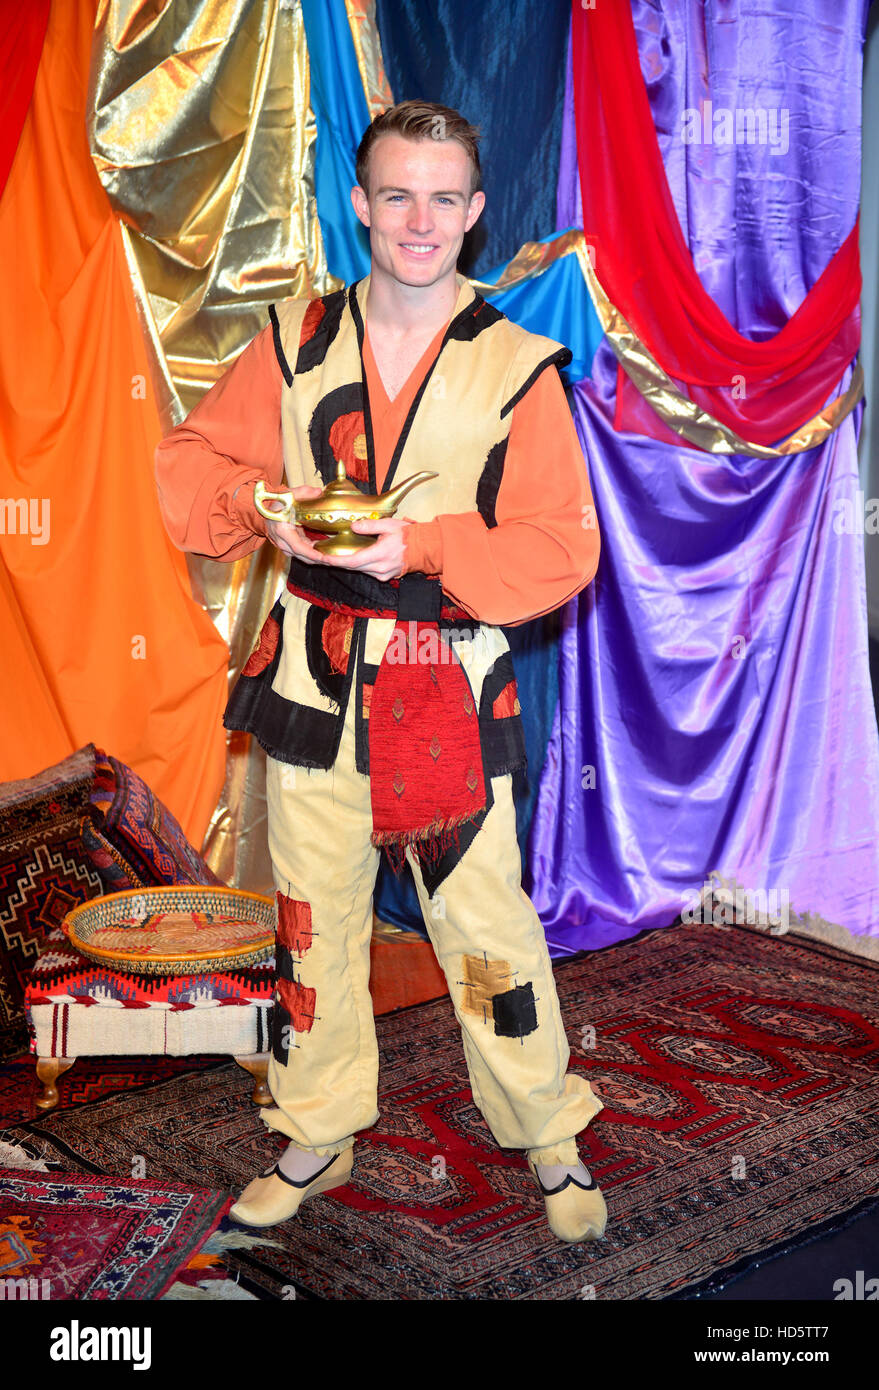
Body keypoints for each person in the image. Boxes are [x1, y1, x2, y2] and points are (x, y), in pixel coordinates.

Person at [155, 100, 606, 1244]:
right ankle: (316, 1125)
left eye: (442, 197)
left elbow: (565, 544)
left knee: (486, 925)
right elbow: (189, 461)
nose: (419, 218)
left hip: (447, 686)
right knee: (311, 922)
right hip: (312, 683)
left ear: (474, 211)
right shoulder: (295, 337)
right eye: (395, 193)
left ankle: (547, 1131)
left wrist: (434, 545)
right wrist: (269, 516)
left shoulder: (516, 365)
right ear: (360, 204)